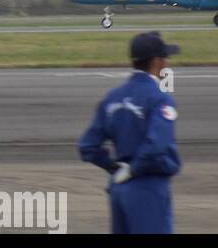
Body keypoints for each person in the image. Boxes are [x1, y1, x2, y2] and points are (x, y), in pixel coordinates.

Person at [78, 31, 181, 234]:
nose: (167, 63)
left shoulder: (113, 97)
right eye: (165, 58)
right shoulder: (159, 99)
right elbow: (156, 146)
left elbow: (88, 146)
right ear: (156, 61)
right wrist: (133, 170)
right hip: (148, 187)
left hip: (118, 187)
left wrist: (114, 167)